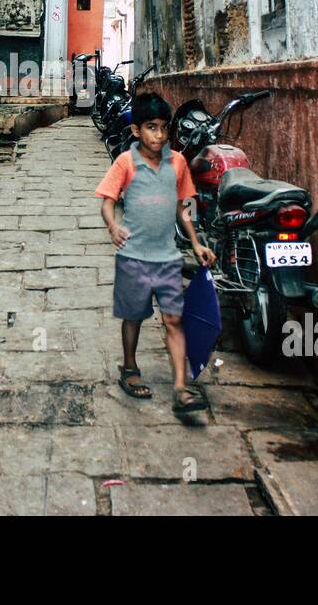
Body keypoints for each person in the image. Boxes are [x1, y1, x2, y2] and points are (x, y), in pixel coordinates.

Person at [94, 92, 216, 416]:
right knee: (133, 316)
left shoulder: (177, 164)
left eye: (163, 128)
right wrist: (113, 227)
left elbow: (184, 207)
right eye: (151, 127)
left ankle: (180, 388)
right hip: (133, 256)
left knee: (174, 319)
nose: (159, 135)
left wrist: (195, 242)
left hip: (167, 257)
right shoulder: (125, 163)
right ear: (136, 130)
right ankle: (129, 368)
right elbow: (107, 201)